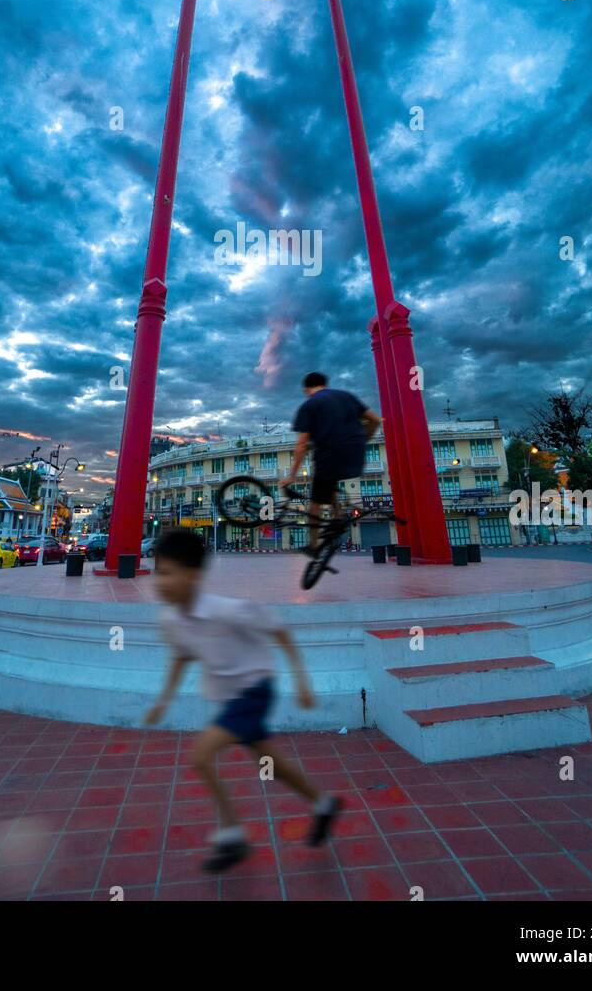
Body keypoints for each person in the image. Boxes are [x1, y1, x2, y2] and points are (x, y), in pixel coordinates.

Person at [144, 529, 342, 872]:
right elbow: (181, 656)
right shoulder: (171, 619)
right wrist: (163, 699)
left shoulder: (228, 611)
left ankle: (232, 835)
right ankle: (323, 805)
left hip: (254, 691)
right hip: (231, 697)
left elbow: (279, 630)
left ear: (192, 575)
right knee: (272, 765)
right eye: (156, 571)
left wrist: (302, 682)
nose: (158, 581)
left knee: (201, 755)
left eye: (167, 572)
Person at [280, 371, 381, 554]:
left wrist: (291, 476)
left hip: (330, 456)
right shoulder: (347, 396)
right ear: (325, 384)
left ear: (306, 389)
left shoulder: (311, 404)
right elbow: (375, 420)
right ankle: (338, 517)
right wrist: (363, 440)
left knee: (315, 503)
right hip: (356, 456)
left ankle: (313, 546)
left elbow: (301, 446)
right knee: (329, 484)